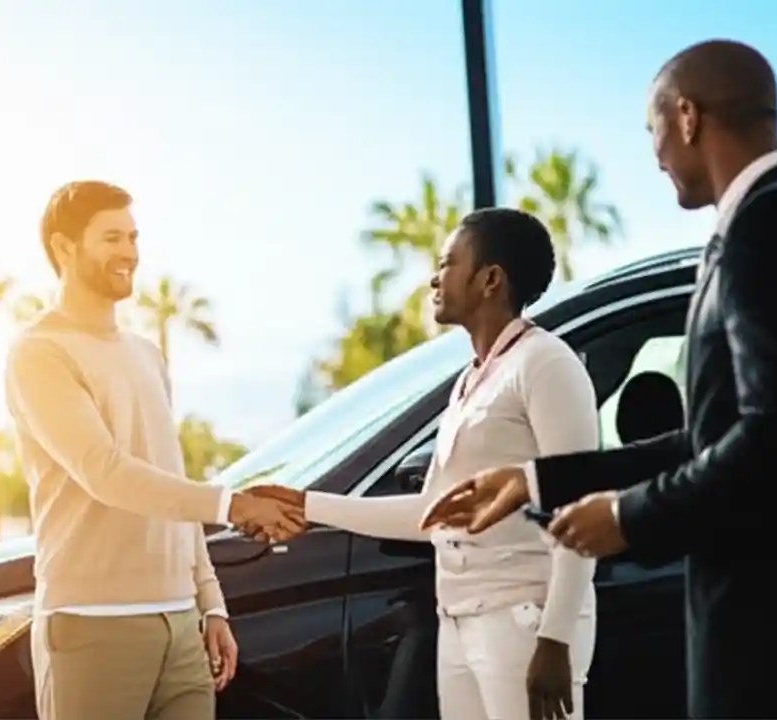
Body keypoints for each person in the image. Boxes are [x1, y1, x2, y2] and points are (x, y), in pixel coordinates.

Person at [421, 40, 777, 718]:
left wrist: (627, 518)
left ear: (686, 116)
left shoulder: (773, 229)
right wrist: (537, 482)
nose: (656, 153)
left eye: (653, 128)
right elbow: (718, 436)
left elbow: (776, 443)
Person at [250, 208, 600, 720]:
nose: (435, 278)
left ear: (490, 279)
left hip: (523, 624)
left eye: (447, 263)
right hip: (460, 621)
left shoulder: (546, 363)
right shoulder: (470, 380)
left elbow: (580, 507)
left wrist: (555, 638)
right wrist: (307, 504)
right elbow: (433, 513)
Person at [4, 180, 305, 720]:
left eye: (134, 237)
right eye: (111, 238)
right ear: (63, 249)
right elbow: (106, 473)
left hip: (180, 627)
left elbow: (171, 482)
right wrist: (233, 505)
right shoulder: (39, 354)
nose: (129, 253)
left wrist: (210, 603)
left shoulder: (146, 355)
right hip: (92, 625)